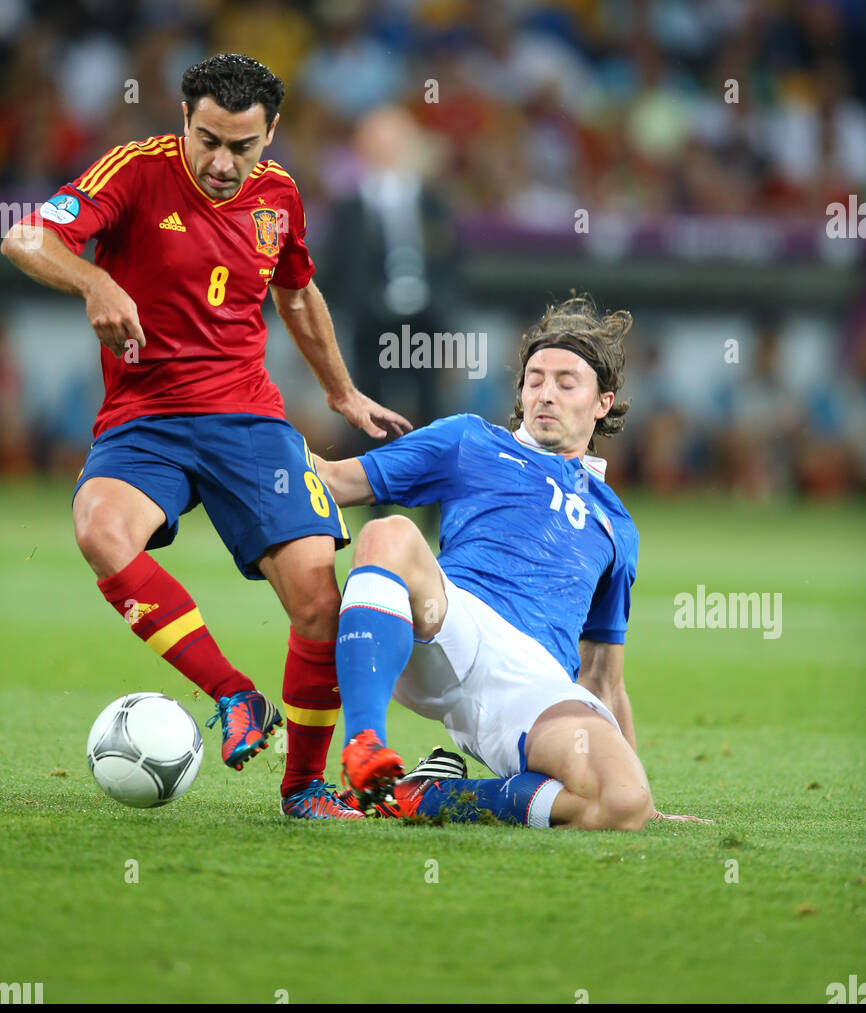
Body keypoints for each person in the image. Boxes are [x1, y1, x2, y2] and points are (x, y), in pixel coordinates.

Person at [1, 52, 410, 821]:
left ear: (271, 134)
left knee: (320, 598)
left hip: (249, 421)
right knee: (100, 530)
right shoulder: (133, 171)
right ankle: (234, 693)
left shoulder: (281, 194)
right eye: (207, 140)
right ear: (184, 121)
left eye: (240, 147)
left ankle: (305, 789)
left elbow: (297, 293)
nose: (221, 162)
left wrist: (342, 392)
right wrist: (95, 279)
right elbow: (25, 239)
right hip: (145, 419)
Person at [316, 295, 707, 830]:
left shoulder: (617, 524)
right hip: (450, 624)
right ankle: (363, 746)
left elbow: (602, 678)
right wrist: (252, 434)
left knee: (620, 804)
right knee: (390, 534)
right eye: (535, 379)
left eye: (567, 382)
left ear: (602, 402)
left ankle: (423, 797)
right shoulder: (469, 440)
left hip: (533, 686)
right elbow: (336, 481)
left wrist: (643, 791)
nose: (546, 393)